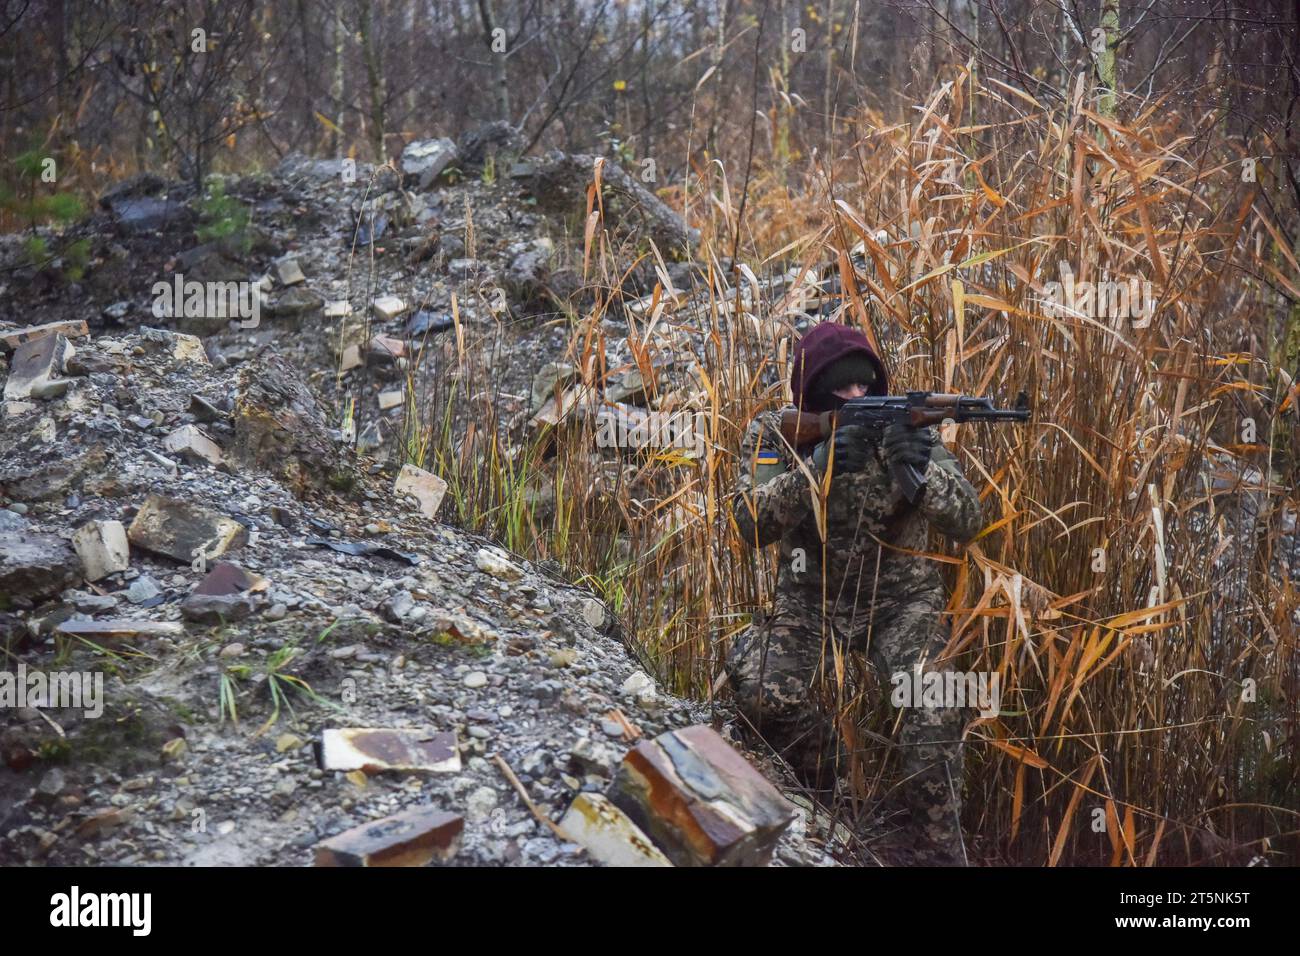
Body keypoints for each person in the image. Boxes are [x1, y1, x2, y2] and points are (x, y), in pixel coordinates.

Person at [726, 321, 983, 865]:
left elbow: (969, 521)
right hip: (809, 602)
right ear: (814, 394)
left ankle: (937, 849)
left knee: (935, 698)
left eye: (866, 386)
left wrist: (917, 471)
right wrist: (816, 471)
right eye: (843, 389)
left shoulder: (909, 431)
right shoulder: (777, 433)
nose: (859, 397)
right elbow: (749, 524)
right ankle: (836, 787)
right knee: (759, 687)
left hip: (901, 604)